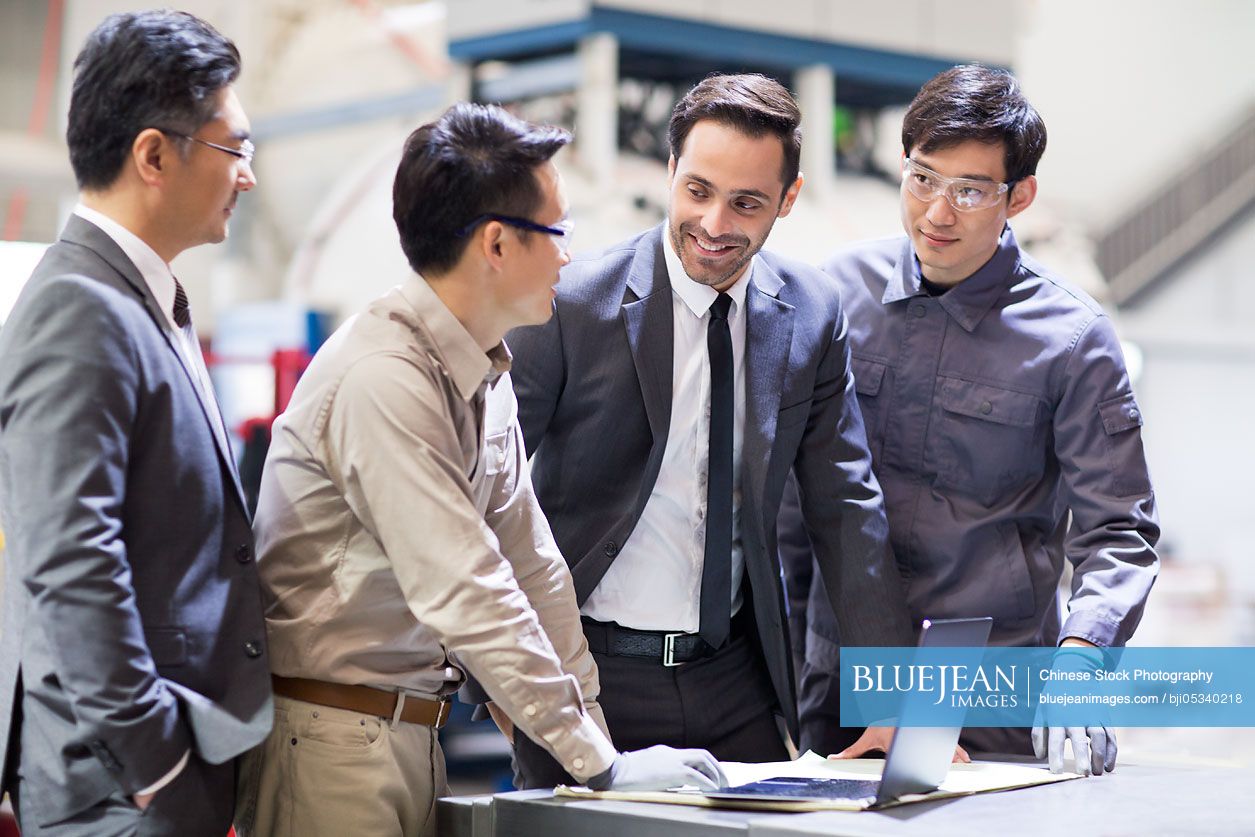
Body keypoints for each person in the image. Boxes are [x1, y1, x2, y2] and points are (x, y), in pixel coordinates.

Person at [241, 103, 723, 837]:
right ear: (496, 243)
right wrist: (596, 762)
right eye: (555, 231)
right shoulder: (385, 376)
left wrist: (593, 747)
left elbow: (532, 569)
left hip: (405, 732)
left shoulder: (482, 370)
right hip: (330, 742)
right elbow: (467, 585)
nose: (568, 256)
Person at [503, 73, 915, 788]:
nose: (716, 223)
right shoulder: (571, 306)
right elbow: (488, 488)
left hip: (733, 681)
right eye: (697, 191)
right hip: (586, 678)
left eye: (746, 202)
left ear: (788, 200)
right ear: (668, 172)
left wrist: (889, 692)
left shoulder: (811, 313)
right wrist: (506, 684)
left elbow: (844, 503)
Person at [785, 64, 1160, 776]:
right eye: (921, 178)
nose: (935, 212)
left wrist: (1082, 657)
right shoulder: (836, 293)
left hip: (989, 692)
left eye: (969, 190)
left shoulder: (1071, 340)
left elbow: (1120, 528)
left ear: (1018, 196)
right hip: (841, 685)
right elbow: (789, 509)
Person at [0, 10, 272, 835]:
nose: (249, 177)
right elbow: (71, 557)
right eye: (236, 150)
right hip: (118, 787)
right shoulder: (80, 310)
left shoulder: (142, 299)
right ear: (154, 154)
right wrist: (154, 760)